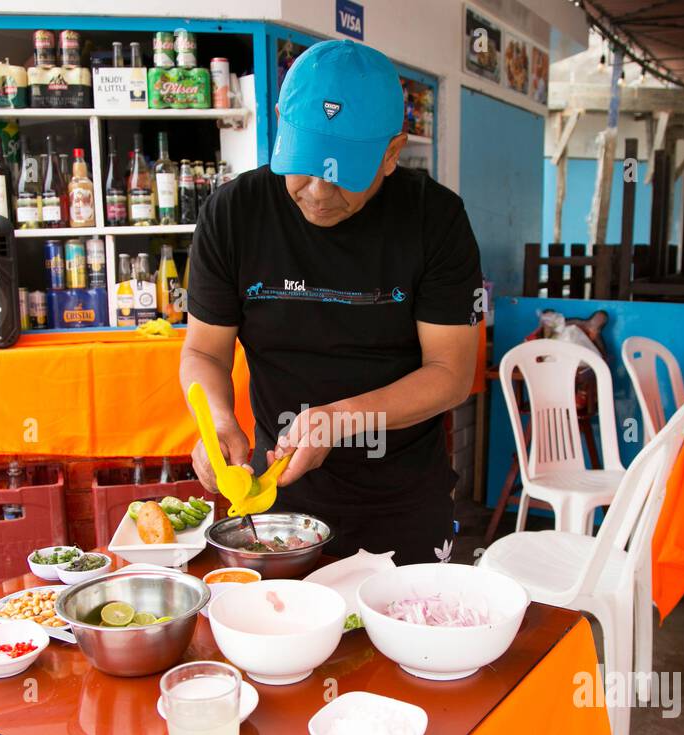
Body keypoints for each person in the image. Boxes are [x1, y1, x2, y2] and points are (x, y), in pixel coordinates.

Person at [180, 39, 482, 564]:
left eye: (342, 172)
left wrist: (338, 419)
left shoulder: (435, 220)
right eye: (304, 163)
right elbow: (204, 352)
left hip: (402, 498)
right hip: (275, 498)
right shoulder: (233, 214)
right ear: (279, 124)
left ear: (392, 153)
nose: (318, 191)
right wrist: (219, 421)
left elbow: (450, 373)